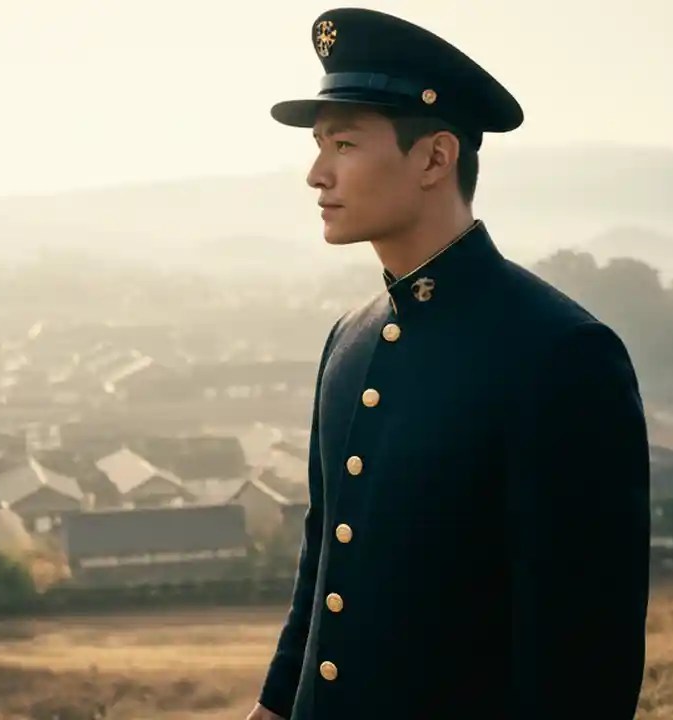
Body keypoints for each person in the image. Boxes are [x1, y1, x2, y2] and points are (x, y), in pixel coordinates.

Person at [247, 8, 651, 720]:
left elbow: (585, 650)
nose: (316, 173)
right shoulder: (351, 337)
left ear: (435, 158)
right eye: (318, 145)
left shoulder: (559, 355)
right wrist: (277, 706)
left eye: (343, 143)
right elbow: (325, 558)